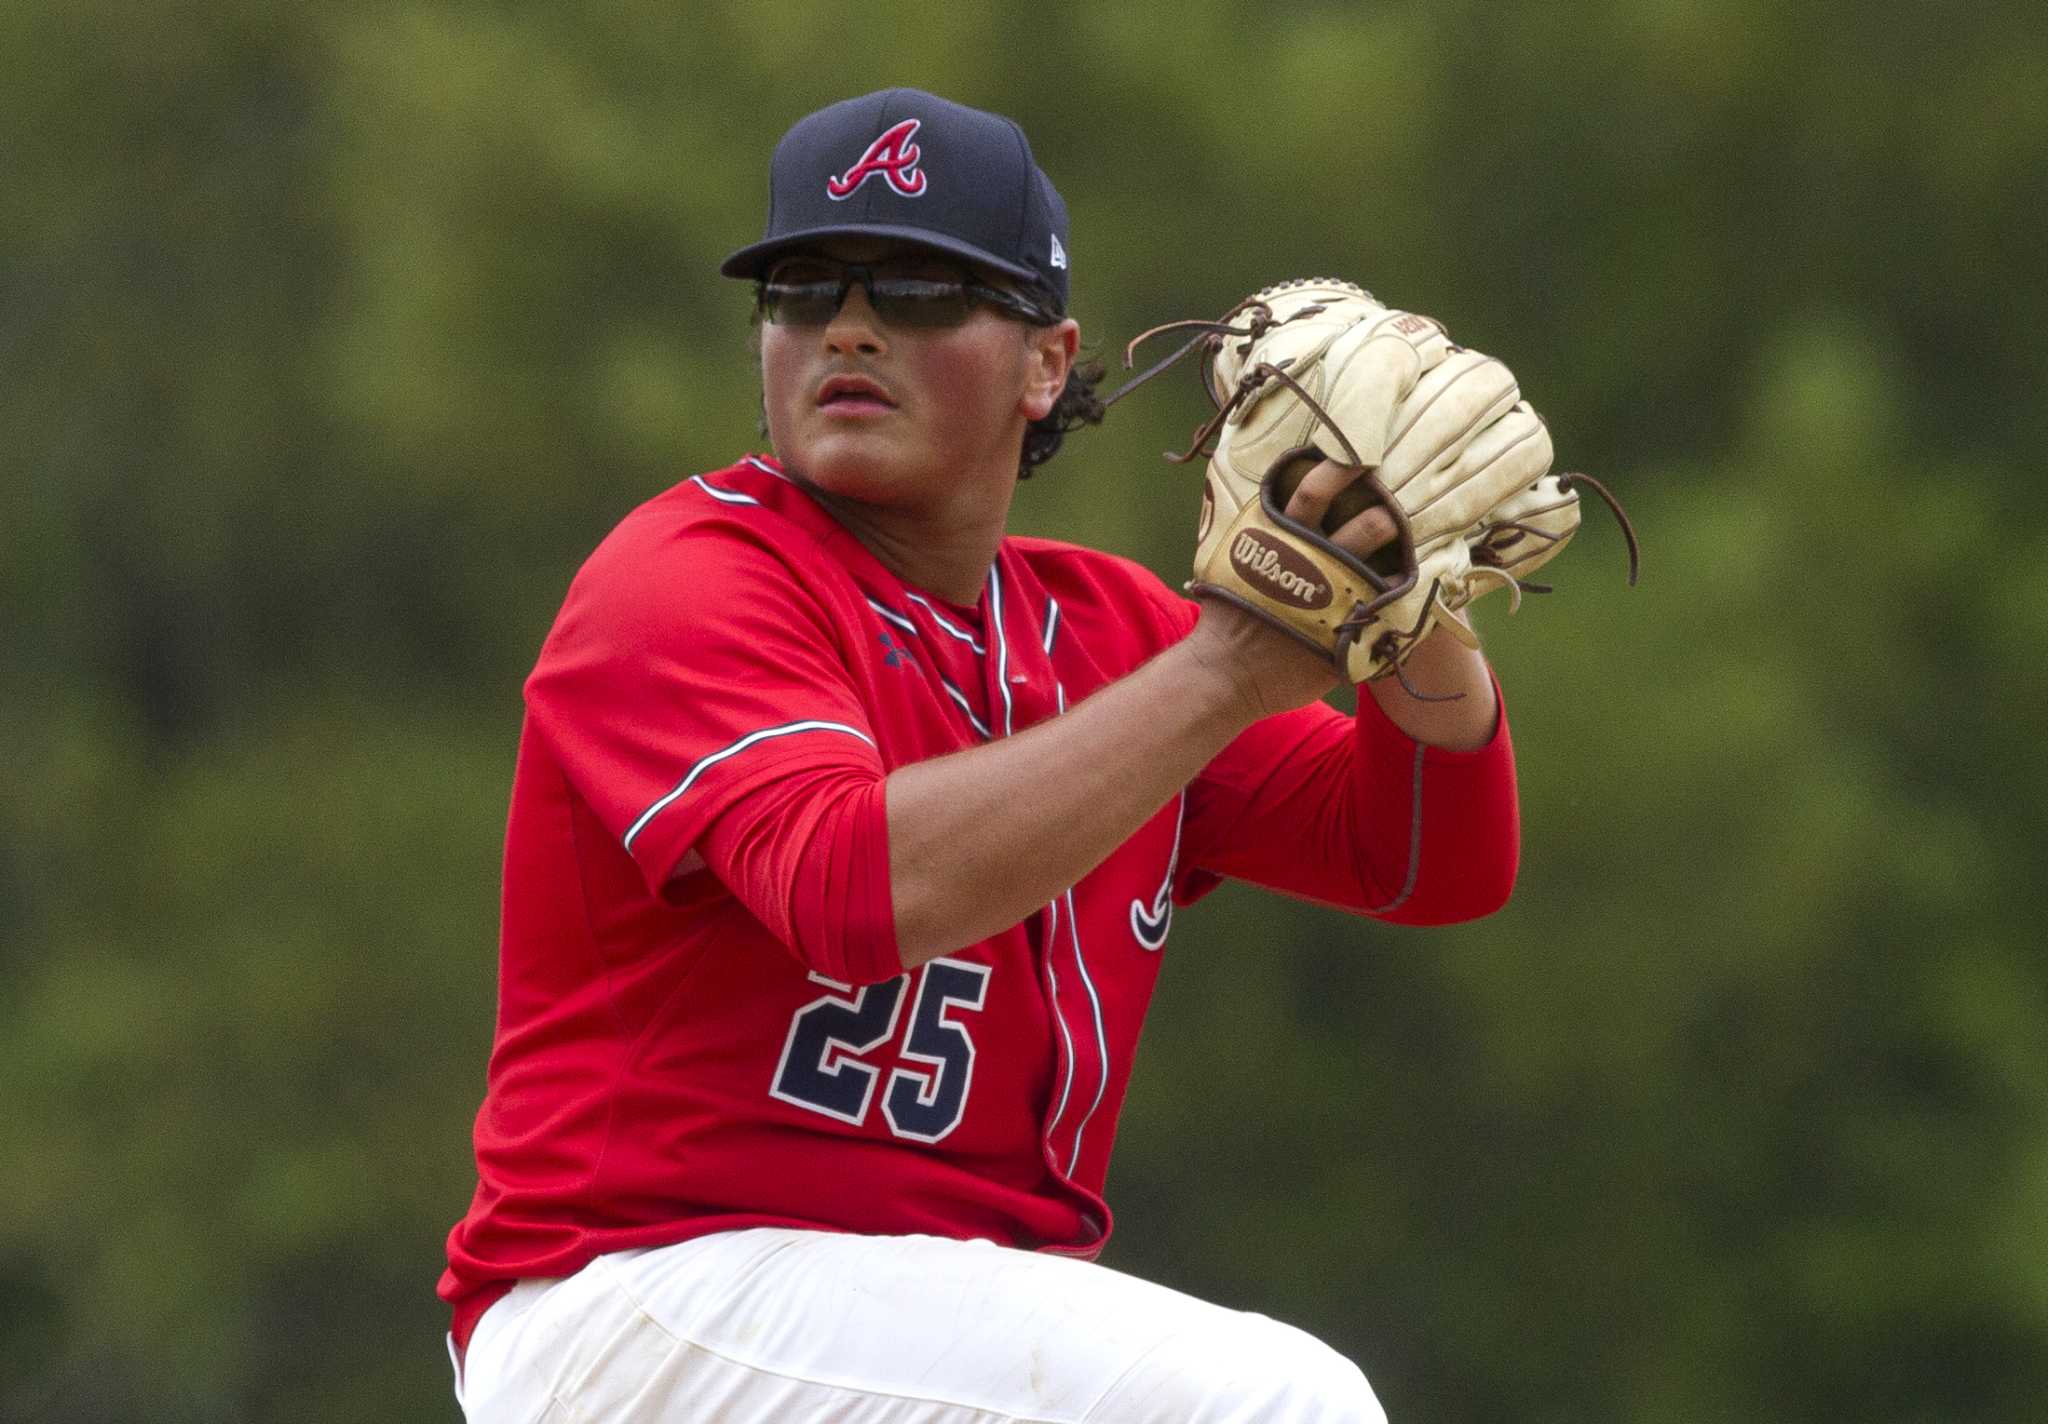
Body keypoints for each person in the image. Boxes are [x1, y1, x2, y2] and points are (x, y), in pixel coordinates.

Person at [439, 87, 1520, 1423]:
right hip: (646, 1297)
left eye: (919, 288)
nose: (848, 324)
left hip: (908, 1322)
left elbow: (1421, 858)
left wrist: (1419, 603)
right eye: (803, 288)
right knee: (1280, 1407)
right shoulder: (689, 580)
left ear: (1046, 361)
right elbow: (855, 892)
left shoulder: (1105, 631)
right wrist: (1227, 670)